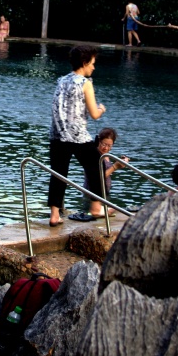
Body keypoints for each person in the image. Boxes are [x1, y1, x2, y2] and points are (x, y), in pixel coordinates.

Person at [47, 45, 107, 227]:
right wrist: (102, 109)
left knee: (58, 173)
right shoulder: (85, 83)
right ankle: (96, 207)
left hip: (57, 134)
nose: (94, 67)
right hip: (77, 135)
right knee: (97, 165)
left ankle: (54, 214)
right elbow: (94, 114)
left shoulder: (61, 80)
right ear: (84, 62)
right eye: (92, 63)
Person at [82, 128, 129, 217]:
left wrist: (120, 162)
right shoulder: (94, 155)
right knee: (91, 217)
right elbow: (97, 177)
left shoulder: (105, 155)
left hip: (103, 192)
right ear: (99, 140)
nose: (106, 148)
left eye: (109, 145)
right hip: (92, 194)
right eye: (104, 144)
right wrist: (115, 166)